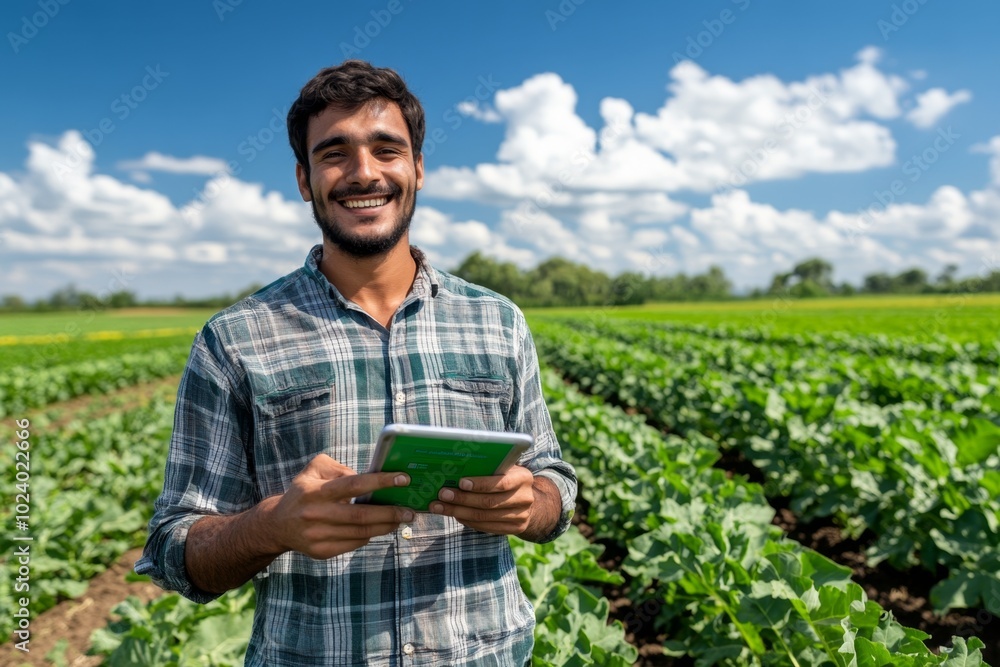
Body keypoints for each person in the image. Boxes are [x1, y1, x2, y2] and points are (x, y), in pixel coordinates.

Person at [136, 60, 577, 666]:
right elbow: (172, 550)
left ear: (417, 168)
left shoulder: (498, 321)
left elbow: (555, 479)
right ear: (304, 178)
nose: (364, 172)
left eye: (387, 149)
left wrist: (532, 504)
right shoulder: (233, 339)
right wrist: (270, 527)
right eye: (334, 153)